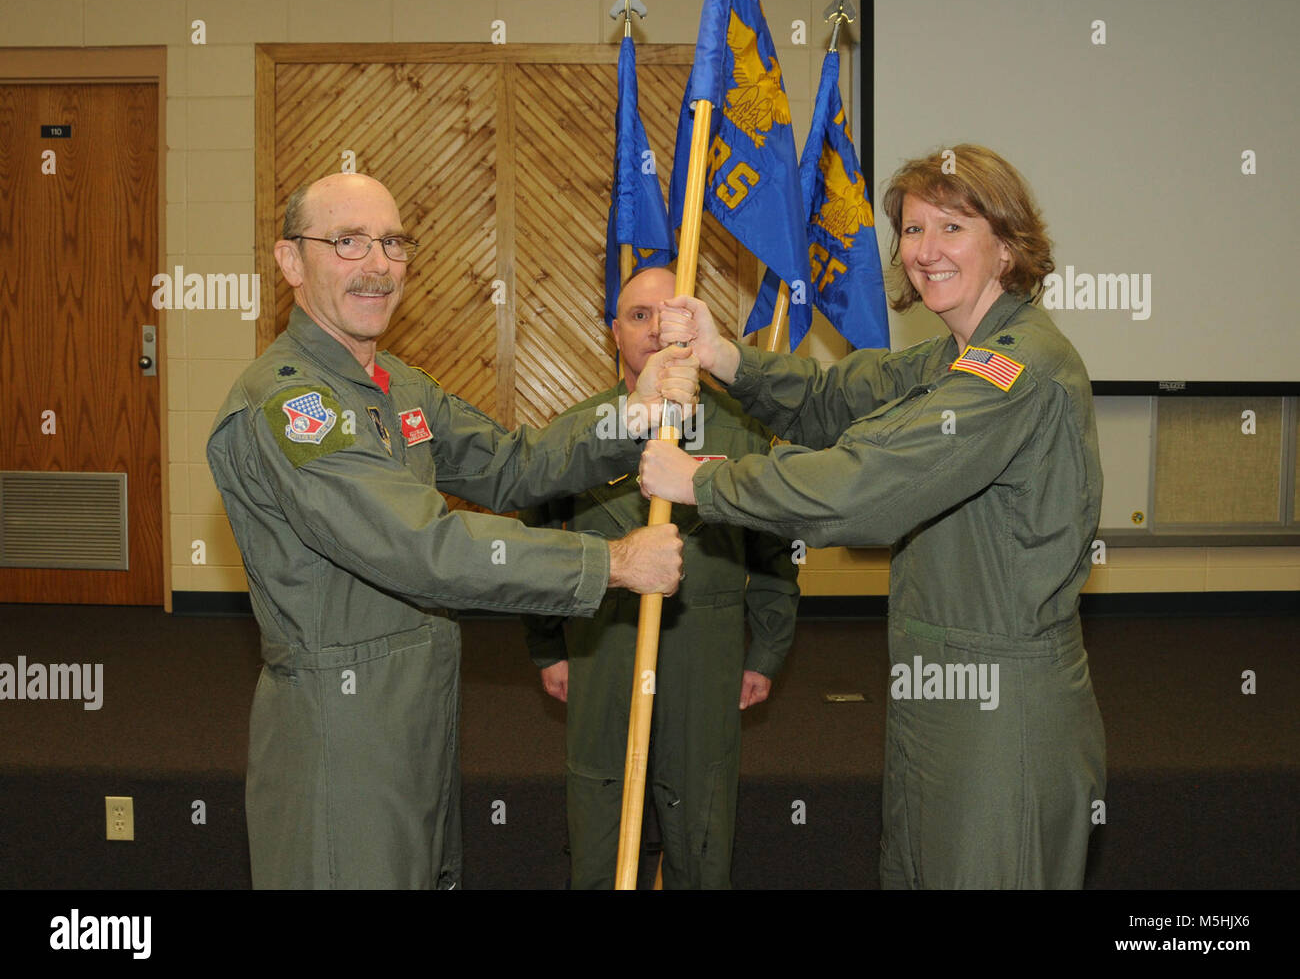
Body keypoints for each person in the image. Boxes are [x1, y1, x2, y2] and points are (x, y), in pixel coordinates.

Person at [206, 173, 697, 889]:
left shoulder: (398, 385)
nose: (377, 265)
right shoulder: (290, 404)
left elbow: (512, 466)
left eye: (392, 243)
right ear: (290, 261)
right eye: (347, 242)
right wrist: (611, 562)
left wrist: (630, 413)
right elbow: (422, 547)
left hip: (422, 713)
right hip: (341, 733)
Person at [639, 144, 1106, 889]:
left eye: (951, 228)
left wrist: (707, 481)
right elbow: (831, 400)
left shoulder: (1013, 372)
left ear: (1009, 248)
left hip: (1001, 709)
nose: (924, 252)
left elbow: (868, 486)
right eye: (913, 231)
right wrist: (724, 357)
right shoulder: (947, 359)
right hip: (937, 692)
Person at [521, 266, 800, 889]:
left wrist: (768, 650)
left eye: (668, 315)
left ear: (692, 328)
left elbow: (775, 551)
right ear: (613, 331)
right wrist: (547, 647)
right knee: (599, 805)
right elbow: (540, 539)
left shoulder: (740, 431)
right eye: (637, 315)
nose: (653, 330)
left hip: (708, 645)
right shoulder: (580, 430)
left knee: (701, 812)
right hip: (603, 642)